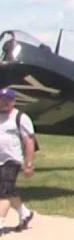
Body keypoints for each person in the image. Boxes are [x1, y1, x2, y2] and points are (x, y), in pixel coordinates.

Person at [0, 87, 36, 232]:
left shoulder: (20, 117)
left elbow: (29, 141)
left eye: (8, 99)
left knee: (3, 193)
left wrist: (29, 163)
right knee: (9, 191)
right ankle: (25, 214)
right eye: (2, 99)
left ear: (14, 101)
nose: (4, 102)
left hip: (12, 160)